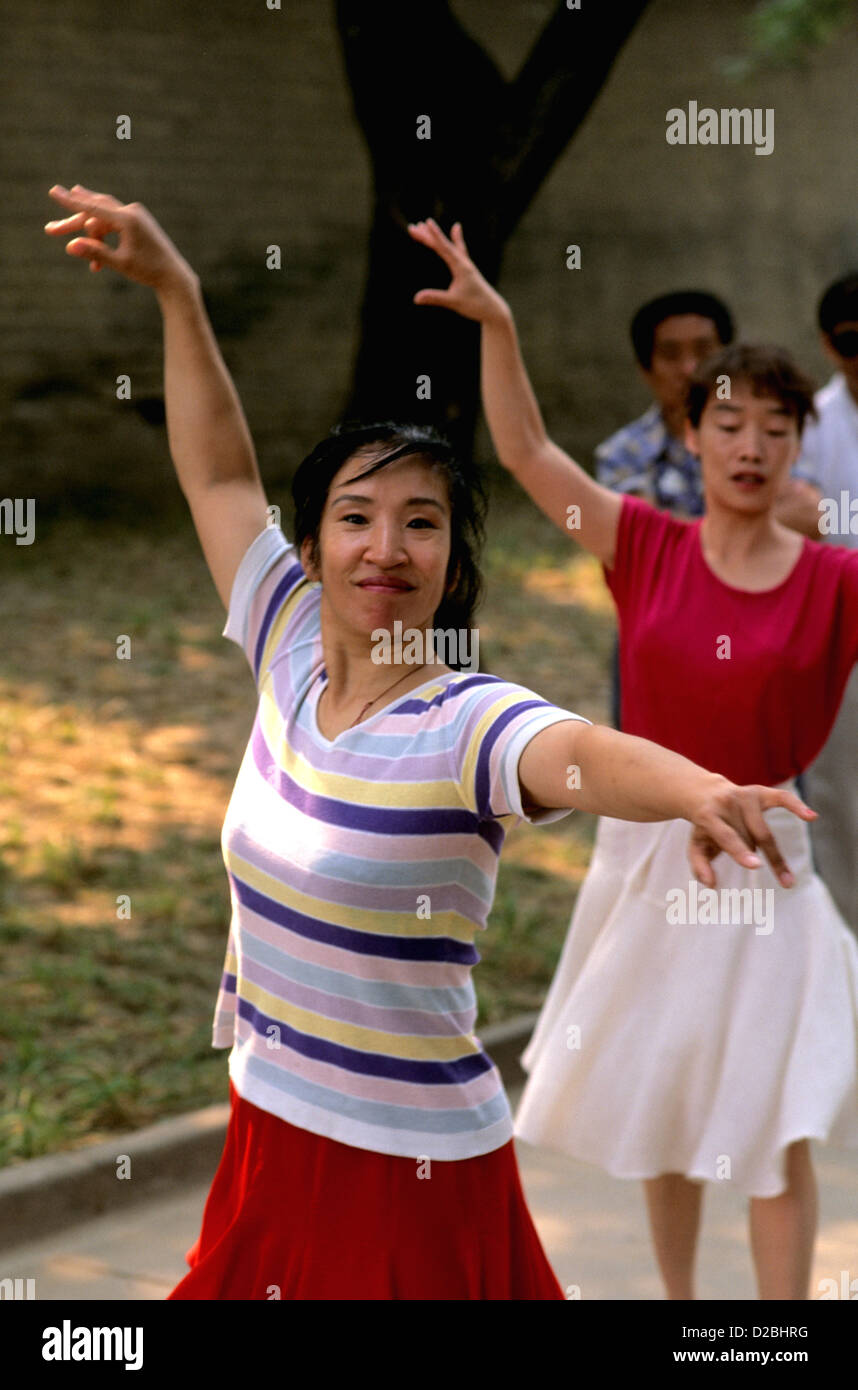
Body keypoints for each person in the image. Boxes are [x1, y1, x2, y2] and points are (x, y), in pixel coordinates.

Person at [44, 184, 811, 1302]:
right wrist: (178, 291)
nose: (385, 547)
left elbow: (579, 753)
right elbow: (215, 473)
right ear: (308, 547)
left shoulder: (466, 719)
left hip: (406, 1165)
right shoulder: (286, 639)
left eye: (423, 522)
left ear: (452, 564)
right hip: (269, 1123)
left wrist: (695, 789)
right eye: (356, 516)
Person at [408, 216, 858, 1301]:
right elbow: (524, 455)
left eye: (773, 429)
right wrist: (498, 325)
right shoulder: (640, 543)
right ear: (690, 438)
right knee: (669, 1112)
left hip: (763, 862)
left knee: (772, 1120)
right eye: (728, 423)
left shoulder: (835, 579)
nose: (749, 446)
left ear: (798, 446)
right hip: (646, 854)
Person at [596, 291, 821, 729]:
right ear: (645, 368)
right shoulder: (621, 454)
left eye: (704, 351)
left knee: (771, 786)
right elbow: (639, 553)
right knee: (648, 781)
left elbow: (812, 519)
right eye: (670, 354)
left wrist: (680, 535)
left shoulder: (773, 434)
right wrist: (755, 526)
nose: (689, 368)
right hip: (656, 648)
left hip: (761, 643)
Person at [797, 273, 858, 938]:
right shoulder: (811, 427)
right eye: (851, 342)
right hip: (843, 644)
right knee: (844, 813)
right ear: (828, 344)